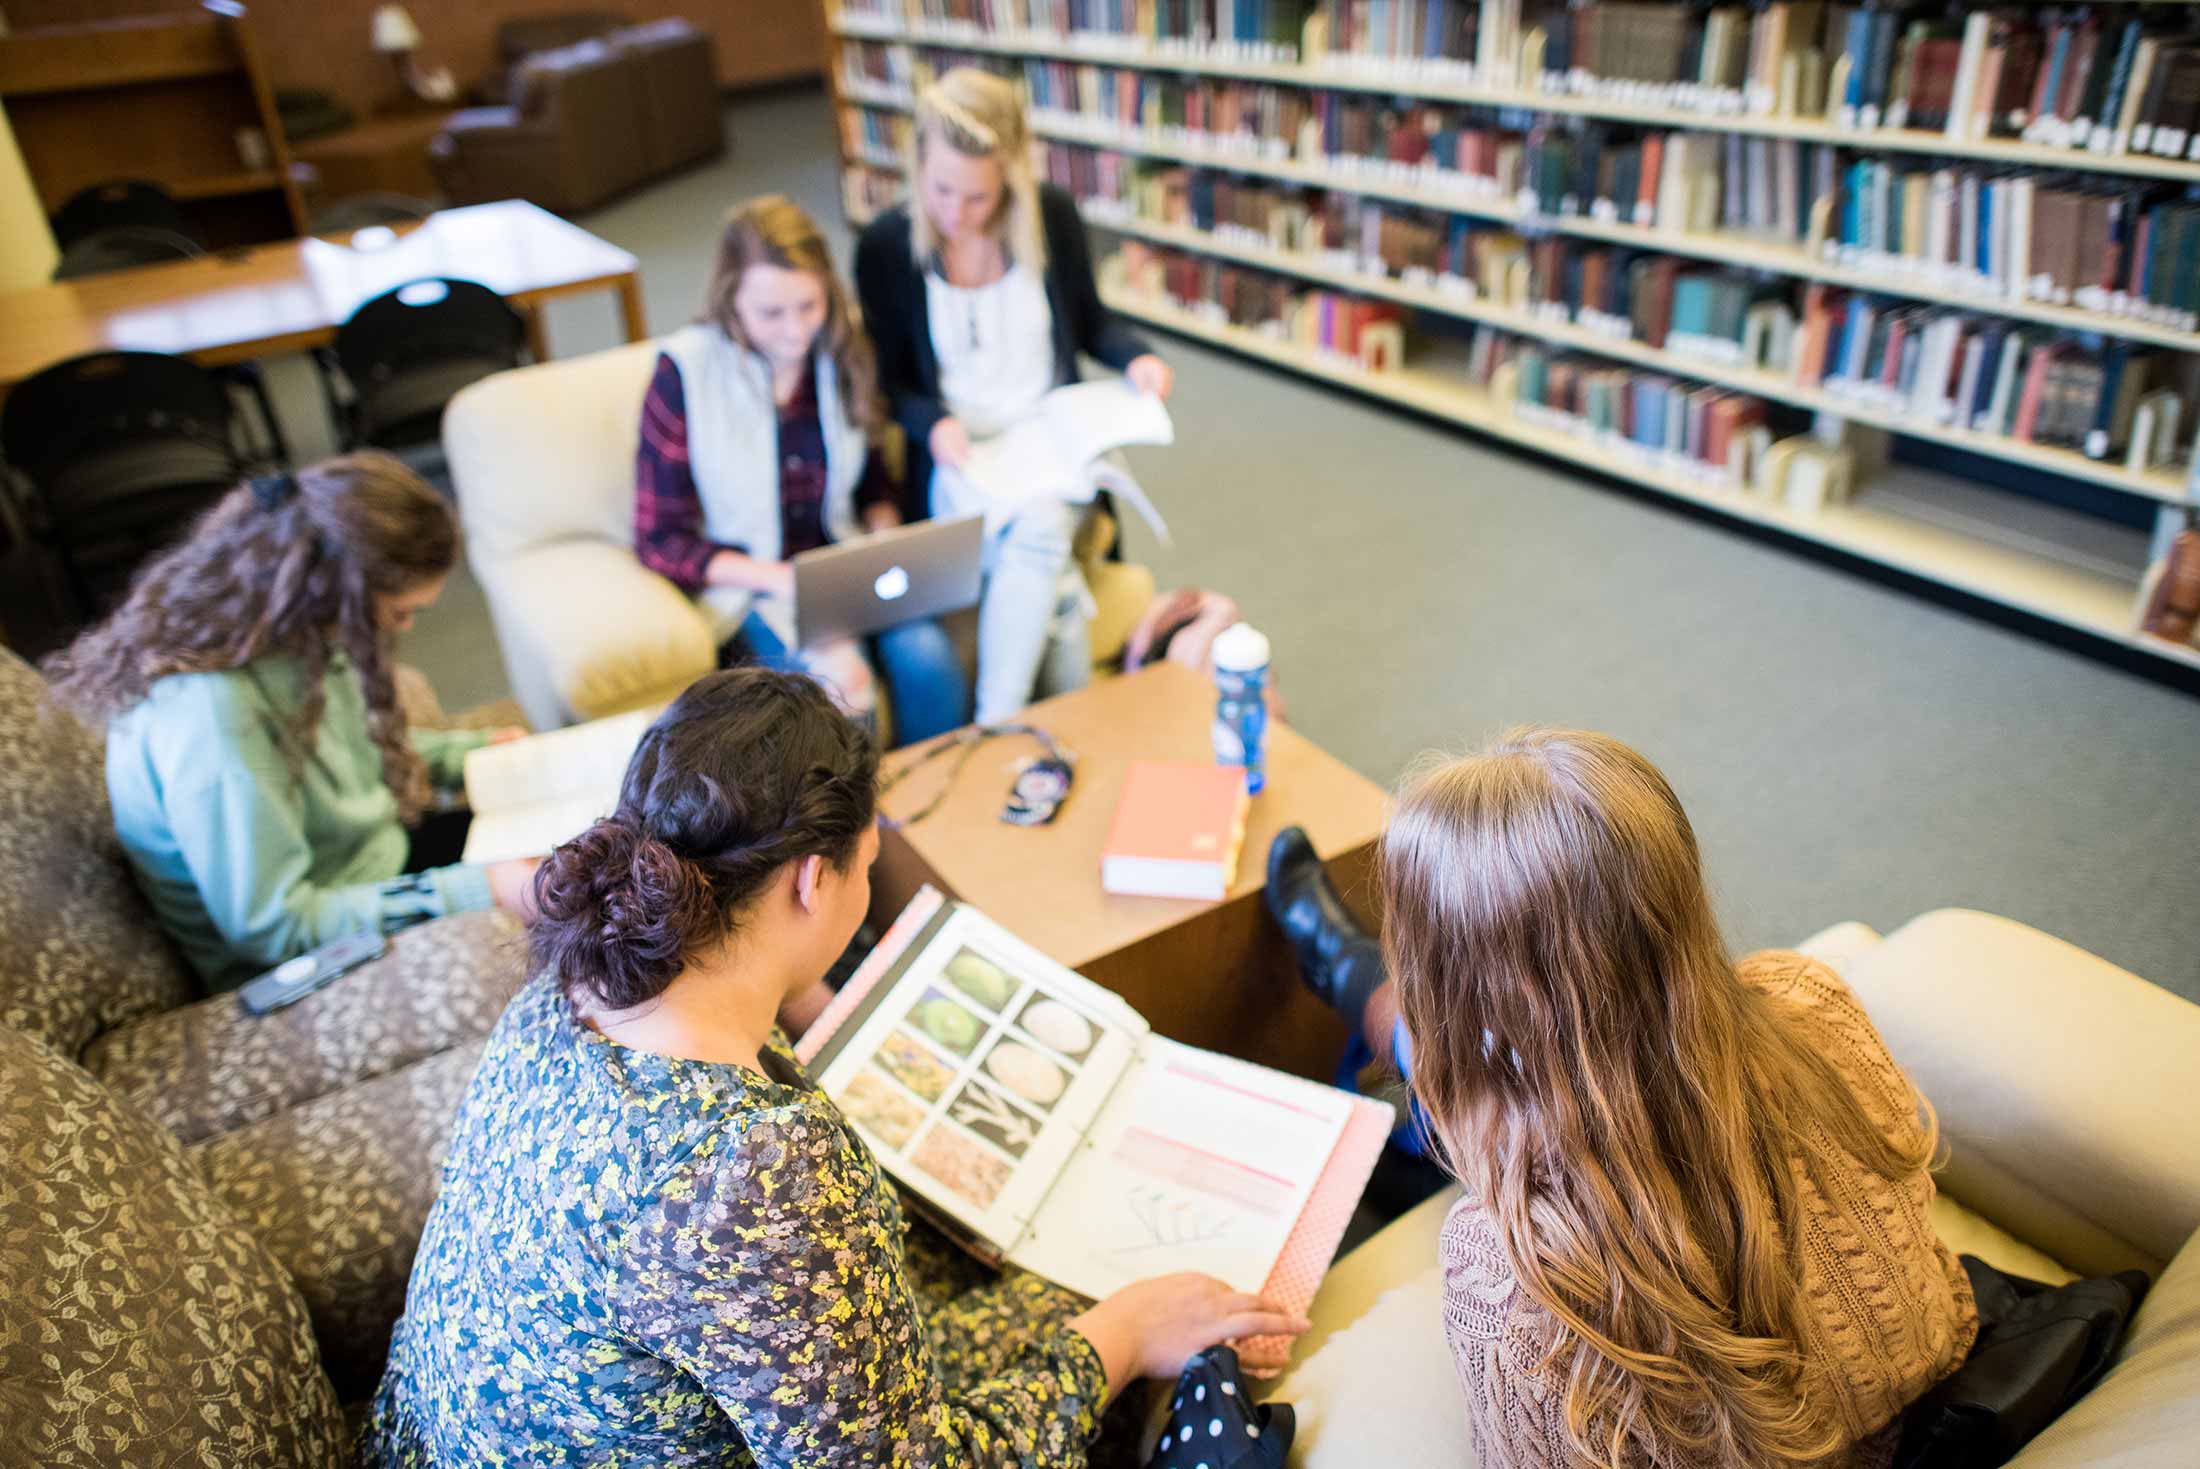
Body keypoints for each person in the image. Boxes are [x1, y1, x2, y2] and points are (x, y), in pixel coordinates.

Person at [367, 666, 1307, 1466]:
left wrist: (788, 995)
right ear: (814, 880)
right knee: (1107, 1308)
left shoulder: (574, 973)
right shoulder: (751, 1169)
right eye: (864, 862)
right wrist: (1125, 1333)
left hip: (450, 1434)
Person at [1267, 729, 1979, 1469]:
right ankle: (1346, 970)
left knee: (1452, 1072)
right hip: (1934, 1395)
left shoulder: (1504, 1266)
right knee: (1496, 1068)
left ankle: (1347, 973)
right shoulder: (1813, 1000)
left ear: (1444, 980)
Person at [44, 453, 540, 992]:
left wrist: (477, 754)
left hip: (365, 866)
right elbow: (275, 928)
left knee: (588, 848)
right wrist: (482, 890)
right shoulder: (211, 719)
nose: (407, 628)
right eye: (400, 613)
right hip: (301, 951)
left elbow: (348, 748)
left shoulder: (289, 634)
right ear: (333, 595)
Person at [856, 67, 1174, 724]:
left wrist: (1136, 357)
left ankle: (998, 725)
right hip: (960, 456)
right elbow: (890, 380)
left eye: (979, 197)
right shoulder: (886, 246)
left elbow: (1090, 322)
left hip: (1047, 441)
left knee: (1040, 521)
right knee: (1045, 558)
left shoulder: (1050, 218)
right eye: (941, 189)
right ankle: (1034, 722)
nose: (956, 212)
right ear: (917, 164)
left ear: (1012, 178)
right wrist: (931, 422)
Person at [636, 195, 969, 743]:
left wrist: (884, 535)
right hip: (754, 584)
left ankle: (939, 804)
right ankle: (858, 827)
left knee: (929, 660)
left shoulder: (840, 351)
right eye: (771, 313)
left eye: (809, 306)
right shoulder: (684, 374)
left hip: (846, 568)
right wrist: (779, 578)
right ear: (730, 300)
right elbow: (658, 539)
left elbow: (869, 484)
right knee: (843, 688)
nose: (795, 331)